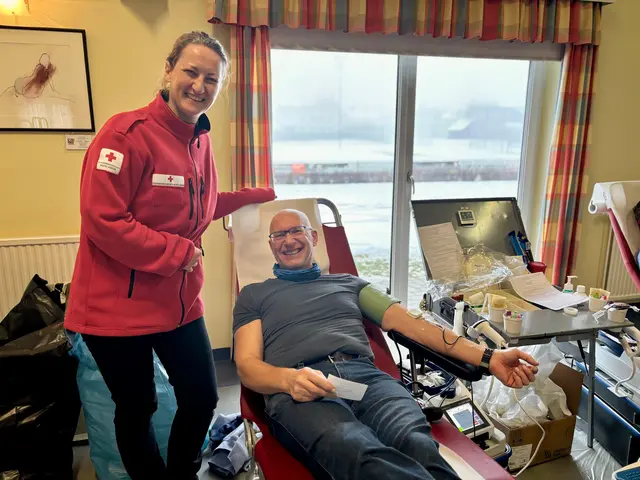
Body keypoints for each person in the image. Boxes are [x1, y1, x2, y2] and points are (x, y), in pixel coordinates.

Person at [64, 31, 275, 479]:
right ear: (168, 70)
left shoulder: (200, 139)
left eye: (211, 79)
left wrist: (249, 197)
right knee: (137, 406)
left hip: (178, 303)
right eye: (190, 72)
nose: (199, 85)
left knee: (200, 398)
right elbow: (104, 220)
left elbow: (198, 205)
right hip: (115, 307)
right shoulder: (125, 134)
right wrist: (178, 251)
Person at [233, 209, 539, 480]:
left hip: (364, 380)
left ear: (313, 237)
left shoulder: (351, 284)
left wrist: (489, 357)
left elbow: (417, 327)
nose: (288, 240)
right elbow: (247, 365)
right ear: (271, 245)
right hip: (302, 385)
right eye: (279, 235)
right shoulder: (254, 295)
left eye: (296, 230)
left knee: (415, 442)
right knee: (354, 447)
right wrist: (288, 380)